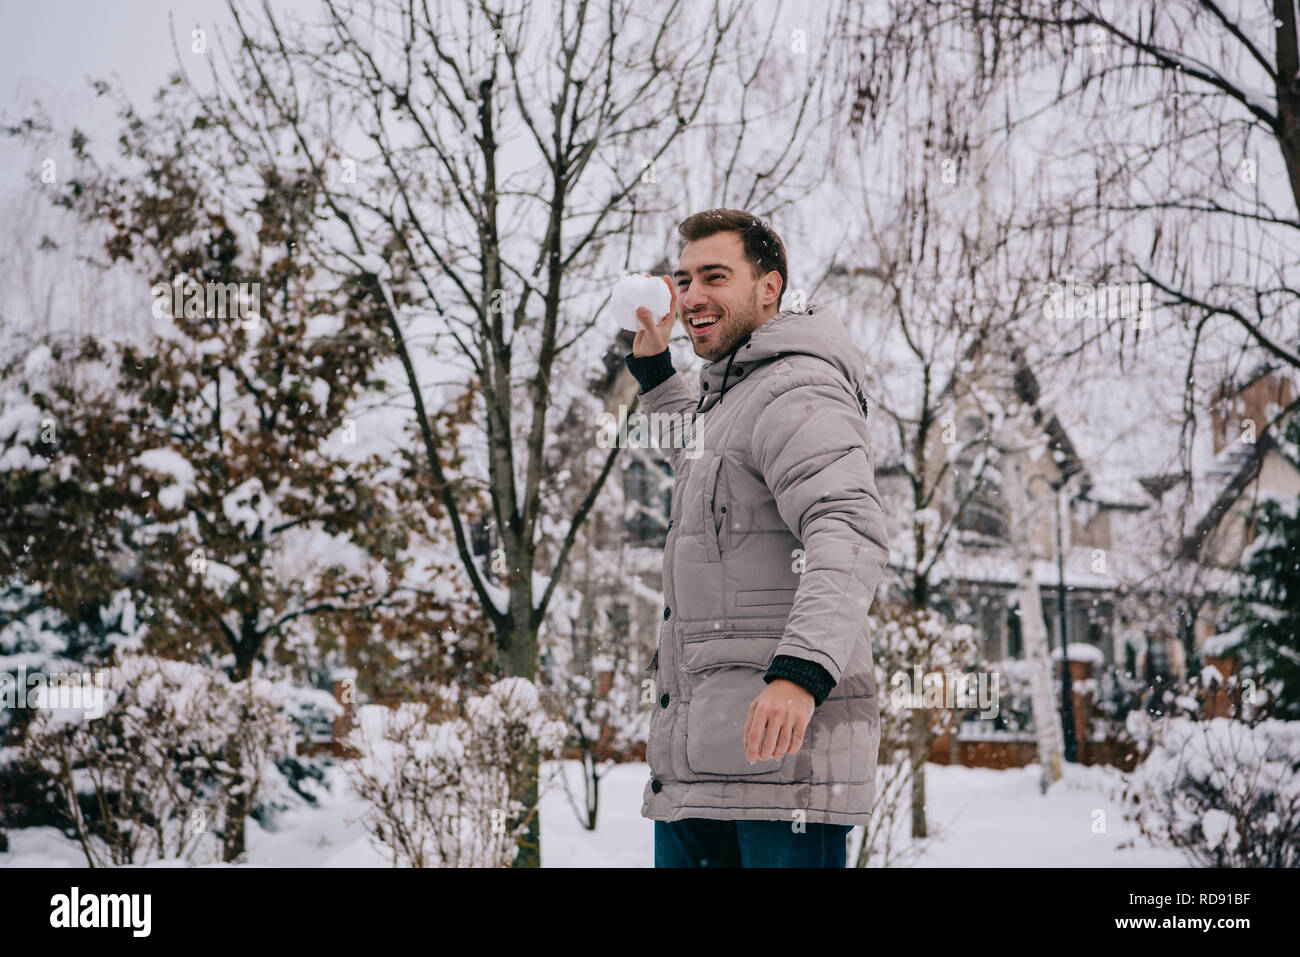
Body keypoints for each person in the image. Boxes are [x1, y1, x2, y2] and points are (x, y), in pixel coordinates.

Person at [624, 208, 890, 868]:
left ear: (769, 288)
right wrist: (657, 372)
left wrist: (800, 673)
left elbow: (848, 529)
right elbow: (708, 460)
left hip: (780, 772)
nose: (692, 297)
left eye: (715, 276)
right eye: (683, 280)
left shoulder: (797, 387)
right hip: (704, 764)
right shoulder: (737, 394)